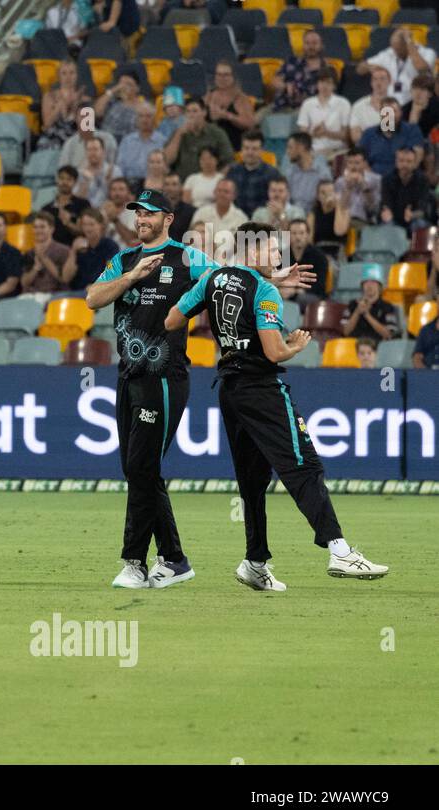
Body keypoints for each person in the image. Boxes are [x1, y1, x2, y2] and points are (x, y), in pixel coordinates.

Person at [165, 221, 389, 590]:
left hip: (230, 389)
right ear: (253, 251)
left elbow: (173, 318)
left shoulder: (213, 280)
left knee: (252, 481)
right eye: (272, 250)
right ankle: (339, 549)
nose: (277, 257)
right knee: (304, 464)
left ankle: (255, 562)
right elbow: (273, 352)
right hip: (262, 389)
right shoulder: (266, 292)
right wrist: (295, 347)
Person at [86, 188, 216, 590]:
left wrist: (270, 276)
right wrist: (130, 277)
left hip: (164, 377)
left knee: (141, 468)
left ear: (168, 218)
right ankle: (174, 559)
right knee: (137, 470)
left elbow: (224, 279)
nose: (141, 220)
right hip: (128, 376)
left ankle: (134, 562)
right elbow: (92, 298)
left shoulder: (187, 257)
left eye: (149, 214)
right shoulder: (123, 260)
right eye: (138, 214)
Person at [358, 27, 437, 108]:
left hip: (415, 103)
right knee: (383, 116)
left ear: (407, 45)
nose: (395, 52)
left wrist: (409, 42)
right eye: (394, 48)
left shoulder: (428, 53)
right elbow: (360, 69)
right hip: (389, 103)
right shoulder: (390, 52)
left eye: (398, 49)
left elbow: (422, 69)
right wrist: (372, 67)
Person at [164, 98, 233, 177]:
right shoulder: (178, 133)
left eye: (195, 111)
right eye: (188, 111)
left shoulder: (217, 133)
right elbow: (167, 160)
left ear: (204, 112)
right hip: (181, 184)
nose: (191, 115)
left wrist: (216, 181)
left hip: (207, 183)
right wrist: (178, 134)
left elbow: (229, 162)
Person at [361, 98, 427, 178]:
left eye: (394, 111)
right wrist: (372, 178)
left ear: (400, 113)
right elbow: (361, 159)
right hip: (375, 178)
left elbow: (418, 156)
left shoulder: (412, 130)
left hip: (404, 178)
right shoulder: (368, 133)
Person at [295, 68, 351, 160]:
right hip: (314, 151)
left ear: (334, 86)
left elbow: (346, 135)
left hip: (337, 151)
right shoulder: (307, 104)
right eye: (321, 82)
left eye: (328, 83)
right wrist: (313, 133)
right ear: (317, 84)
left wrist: (327, 133)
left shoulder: (343, 103)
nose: (324, 86)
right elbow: (303, 136)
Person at [39, 60, 93, 152]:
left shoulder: (85, 99)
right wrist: (59, 107)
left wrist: (76, 105)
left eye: (72, 73)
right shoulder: (49, 96)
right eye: (64, 73)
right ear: (58, 76)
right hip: (52, 137)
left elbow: (87, 130)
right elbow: (47, 124)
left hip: (76, 138)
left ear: (77, 75)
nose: (68, 77)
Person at [61, 207, 120, 290]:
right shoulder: (78, 245)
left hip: (99, 291)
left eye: (91, 224)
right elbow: (66, 278)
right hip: (77, 291)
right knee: (53, 300)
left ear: (101, 225)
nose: (88, 229)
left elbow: (112, 273)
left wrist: (96, 286)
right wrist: (73, 252)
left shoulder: (110, 246)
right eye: (85, 225)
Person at [225, 131, 281, 215]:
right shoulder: (233, 171)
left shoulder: (272, 173)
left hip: (262, 220)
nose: (250, 153)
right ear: (241, 149)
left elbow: (277, 200)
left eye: (254, 149)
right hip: (236, 219)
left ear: (262, 151)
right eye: (246, 148)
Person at [204, 60, 256, 150]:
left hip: (233, 146)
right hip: (209, 146)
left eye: (226, 75)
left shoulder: (241, 98)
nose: (222, 78)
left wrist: (227, 116)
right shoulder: (208, 95)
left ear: (233, 77)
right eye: (219, 74)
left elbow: (250, 124)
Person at [273, 29, 328, 113]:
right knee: (254, 120)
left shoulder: (326, 69)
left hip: (306, 111)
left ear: (321, 45)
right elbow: (275, 81)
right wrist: (284, 86)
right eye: (307, 43)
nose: (310, 47)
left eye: (314, 43)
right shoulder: (292, 61)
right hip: (280, 106)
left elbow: (326, 96)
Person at [190, 178, 247, 258]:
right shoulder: (201, 212)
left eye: (226, 192)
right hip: (201, 258)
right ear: (214, 192)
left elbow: (243, 248)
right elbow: (191, 239)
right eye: (219, 191)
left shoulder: (241, 218)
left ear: (234, 195)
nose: (222, 194)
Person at [380, 146, 434, 228]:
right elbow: (386, 203)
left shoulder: (423, 180)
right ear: (396, 162)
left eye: (409, 161)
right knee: (386, 225)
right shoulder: (387, 179)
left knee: (419, 224)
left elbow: (422, 209)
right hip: (393, 218)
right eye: (401, 161)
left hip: (414, 218)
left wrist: (412, 215)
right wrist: (387, 212)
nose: (404, 164)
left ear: (415, 163)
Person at [20, 211, 71, 298]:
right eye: (35, 227)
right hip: (31, 295)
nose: (38, 230)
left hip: (55, 295)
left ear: (51, 229)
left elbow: (63, 279)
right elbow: (24, 283)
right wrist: (35, 268)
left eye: (42, 227)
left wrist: (43, 258)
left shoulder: (64, 251)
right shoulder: (29, 253)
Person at [280, 219, 328, 306]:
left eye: (301, 233)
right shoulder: (281, 255)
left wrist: (296, 291)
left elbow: (320, 285)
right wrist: (280, 289)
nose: (298, 237)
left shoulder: (319, 256)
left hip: (311, 295)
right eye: (294, 233)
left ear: (307, 235)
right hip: (284, 293)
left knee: (301, 299)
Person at [341, 272, 399, 342]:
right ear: (362, 286)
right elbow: (345, 332)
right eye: (366, 283)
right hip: (353, 344)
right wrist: (357, 312)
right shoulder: (352, 304)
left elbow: (388, 334)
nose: (369, 285)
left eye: (373, 282)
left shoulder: (387, 307)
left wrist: (367, 315)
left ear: (379, 286)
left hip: (377, 346)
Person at [283, 132, 333, 213]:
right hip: (292, 216)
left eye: (290, 147)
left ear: (301, 148)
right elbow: (285, 199)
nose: (287, 152)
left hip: (315, 215)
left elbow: (327, 201)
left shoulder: (323, 173)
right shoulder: (290, 172)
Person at [116, 103, 165, 183]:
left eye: (148, 116)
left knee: (145, 195)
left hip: (152, 185)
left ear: (154, 119)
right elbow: (120, 166)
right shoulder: (127, 141)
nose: (144, 120)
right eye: (141, 116)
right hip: (130, 185)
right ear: (136, 119)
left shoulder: (162, 141)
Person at [41, 165, 89, 245]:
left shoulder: (83, 204)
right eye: (62, 178)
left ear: (75, 182)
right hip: (51, 250)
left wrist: (68, 223)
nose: (65, 182)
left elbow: (86, 231)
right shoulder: (46, 209)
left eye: (69, 179)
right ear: (57, 180)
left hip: (76, 250)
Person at [334, 148, 382, 224]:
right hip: (345, 223)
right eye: (350, 163)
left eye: (357, 163)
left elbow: (373, 208)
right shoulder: (340, 182)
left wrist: (364, 186)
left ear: (365, 163)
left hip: (367, 222)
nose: (353, 167)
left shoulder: (376, 180)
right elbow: (341, 208)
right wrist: (348, 188)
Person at [95, 70, 145, 141]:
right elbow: (97, 111)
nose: (124, 87)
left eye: (128, 84)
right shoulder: (113, 101)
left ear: (137, 88)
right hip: (103, 143)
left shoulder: (142, 107)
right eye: (121, 84)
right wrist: (113, 90)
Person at [350, 66, 393, 145]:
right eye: (375, 79)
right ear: (371, 83)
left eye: (382, 79)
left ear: (389, 82)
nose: (378, 83)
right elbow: (355, 137)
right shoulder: (358, 105)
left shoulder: (396, 105)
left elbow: (390, 135)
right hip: (365, 149)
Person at [75, 136, 121, 207]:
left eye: (95, 149)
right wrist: (86, 182)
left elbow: (119, 196)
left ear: (103, 151)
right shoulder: (79, 172)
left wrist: (107, 182)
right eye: (89, 150)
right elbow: (76, 198)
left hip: (106, 209)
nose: (92, 153)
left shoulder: (114, 170)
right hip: (84, 210)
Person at [101, 177, 140, 247]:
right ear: (109, 193)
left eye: (121, 189)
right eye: (113, 189)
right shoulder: (102, 211)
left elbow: (132, 239)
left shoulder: (135, 211)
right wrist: (105, 221)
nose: (117, 193)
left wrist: (115, 220)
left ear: (128, 192)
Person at [161, 172, 195, 241]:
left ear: (181, 187)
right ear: (163, 187)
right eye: (167, 184)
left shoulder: (191, 211)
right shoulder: (155, 210)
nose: (170, 188)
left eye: (174, 184)